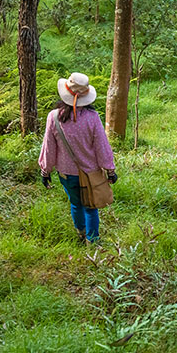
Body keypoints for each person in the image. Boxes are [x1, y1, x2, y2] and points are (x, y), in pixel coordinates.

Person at [38, 72, 117, 244]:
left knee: (76, 204)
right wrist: (110, 170)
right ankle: (93, 242)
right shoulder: (92, 118)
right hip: (90, 173)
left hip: (66, 174)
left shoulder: (53, 117)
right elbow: (101, 146)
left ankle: (81, 234)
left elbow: (49, 147)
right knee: (91, 207)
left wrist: (45, 171)